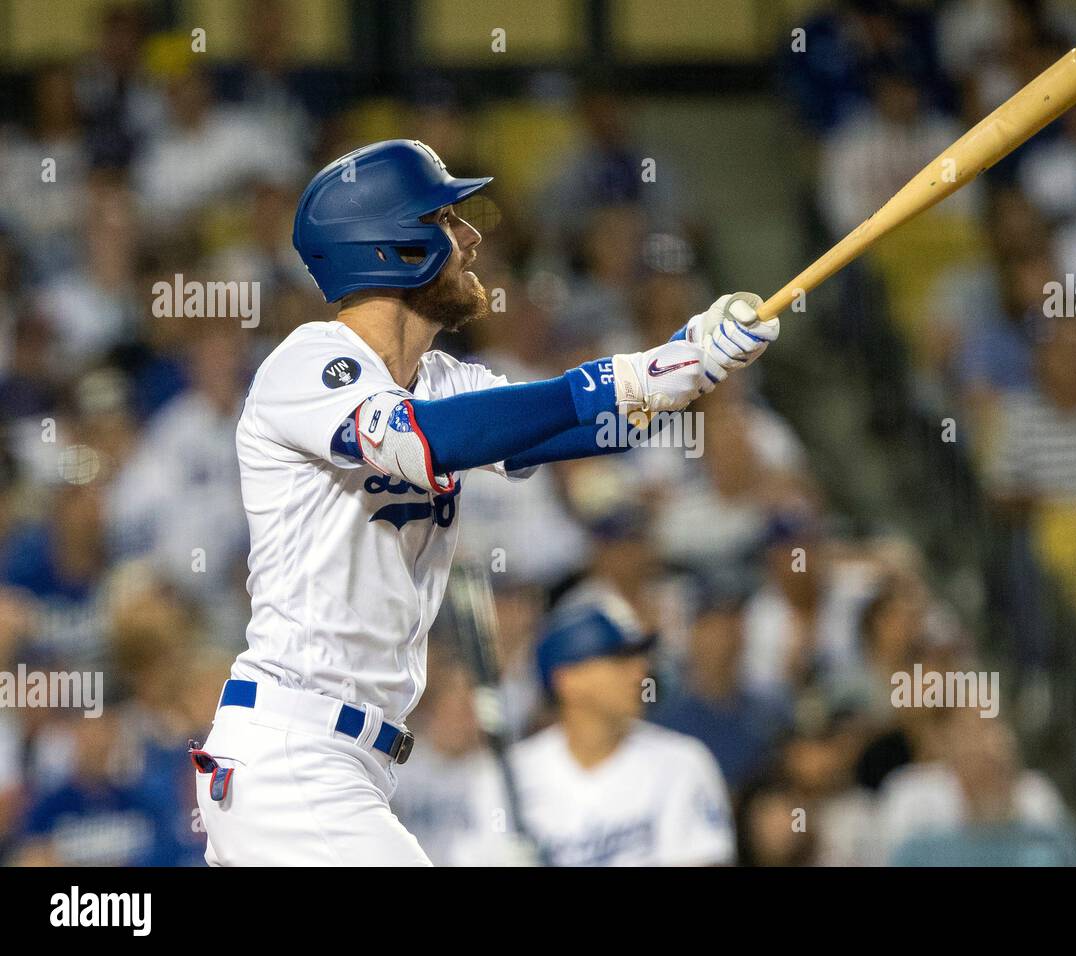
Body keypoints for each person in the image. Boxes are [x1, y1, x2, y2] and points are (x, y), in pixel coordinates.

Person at [192, 139, 779, 866]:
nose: (470, 238)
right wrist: (634, 372)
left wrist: (688, 365)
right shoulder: (309, 364)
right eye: (444, 219)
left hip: (343, 759)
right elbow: (423, 442)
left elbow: (559, 427)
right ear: (390, 248)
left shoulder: (442, 379)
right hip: (293, 751)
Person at [510, 588, 736, 866]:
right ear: (567, 680)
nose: (640, 670)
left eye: (639, 656)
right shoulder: (510, 776)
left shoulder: (683, 763)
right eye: (619, 658)